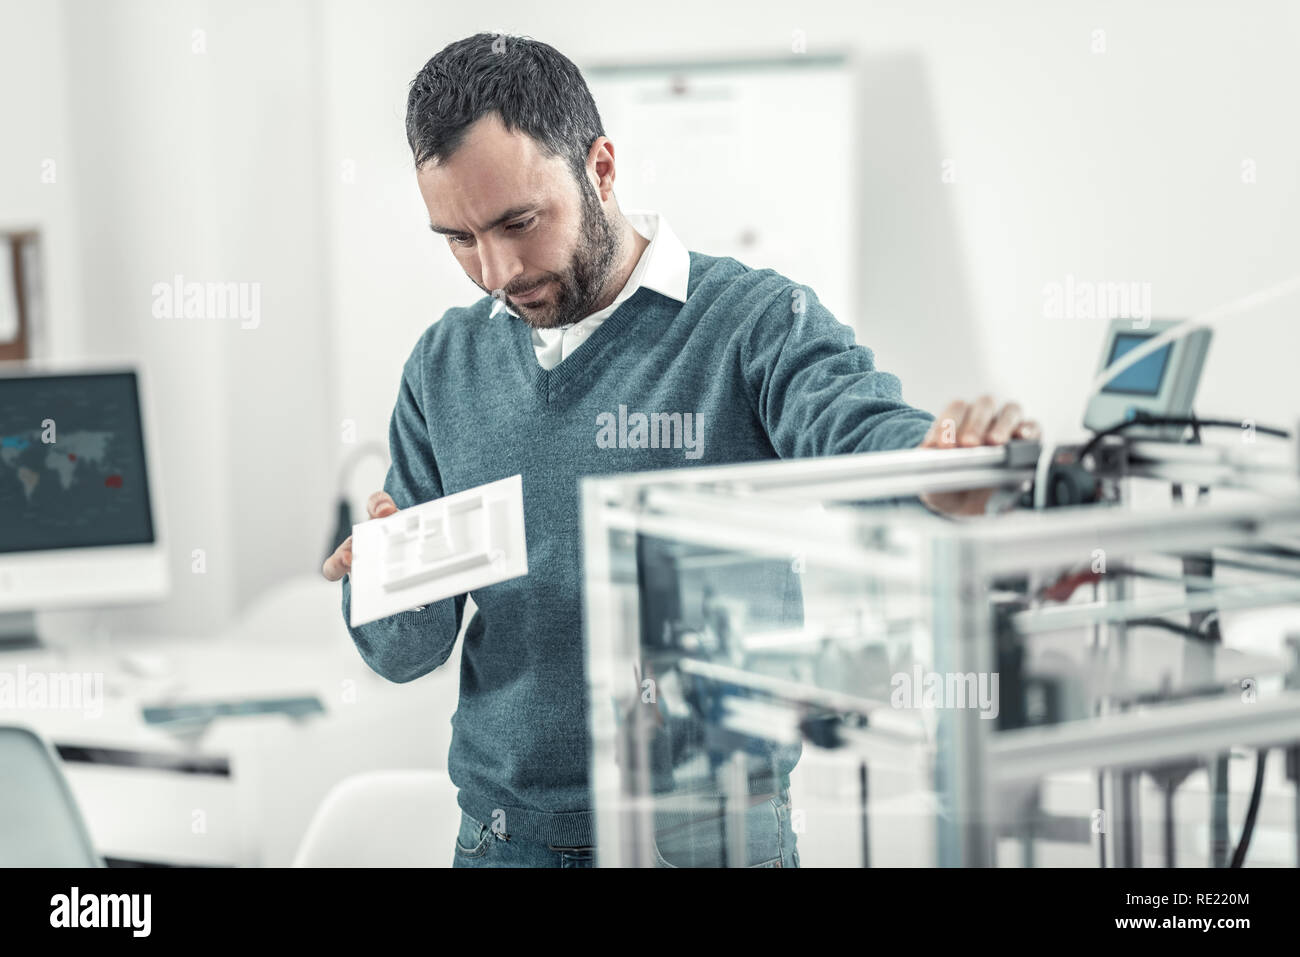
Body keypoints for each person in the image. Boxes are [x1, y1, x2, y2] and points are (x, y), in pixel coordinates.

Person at [321, 32, 1040, 868]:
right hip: (501, 841)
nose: (497, 271)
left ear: (600, 166)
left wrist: (939, 468)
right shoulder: (445, 364)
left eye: (520, 221)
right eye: (459, 238)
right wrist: (384, 579)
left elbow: (853, 425)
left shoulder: (749, 323)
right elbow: (406, 653)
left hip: (709, 846)